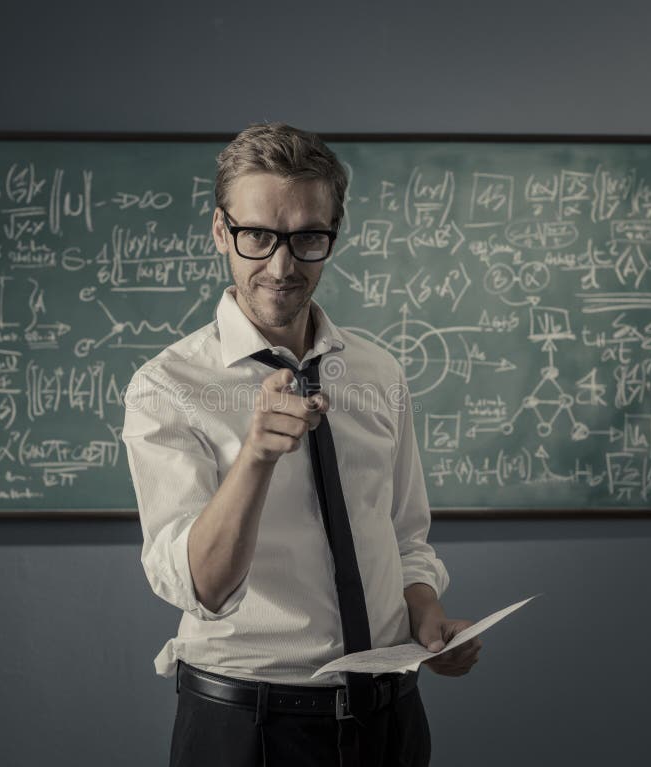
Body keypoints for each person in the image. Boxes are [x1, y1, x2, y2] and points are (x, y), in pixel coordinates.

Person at [121, 123, 482, 767]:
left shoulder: (379, 372)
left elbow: (404, 540)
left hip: (390, 716)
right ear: (219, 232)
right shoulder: (166, 388)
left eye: (308, 238)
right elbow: (201, 588)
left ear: (332, 236)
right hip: (246, 727)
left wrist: (427, 618)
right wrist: (255, 457)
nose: (282, 266)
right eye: (257, 235)